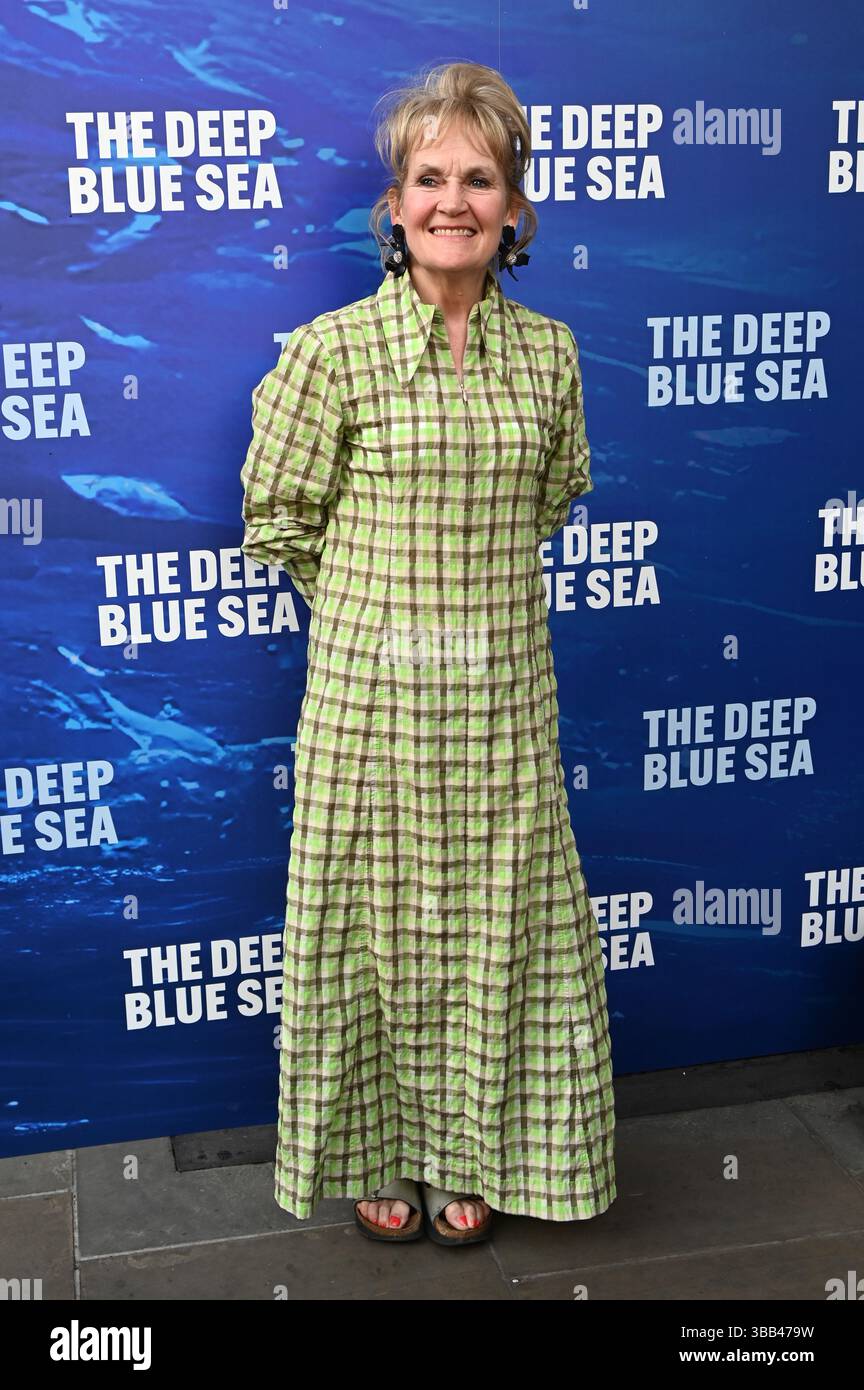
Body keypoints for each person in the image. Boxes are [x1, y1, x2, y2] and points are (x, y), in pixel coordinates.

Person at [240, 60, 616, 1248]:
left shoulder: (550, 354)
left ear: (514, 211)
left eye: (480, 177)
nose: (453, 198)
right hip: (369, 712)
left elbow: (555, 497)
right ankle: (379, 1156)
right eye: (429, 177)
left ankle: (478, 1155)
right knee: (374, 937)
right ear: (394, 208)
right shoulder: (332, 352)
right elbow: (280, 516)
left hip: (505, 708)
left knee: (499, 937)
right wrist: (377, 623)